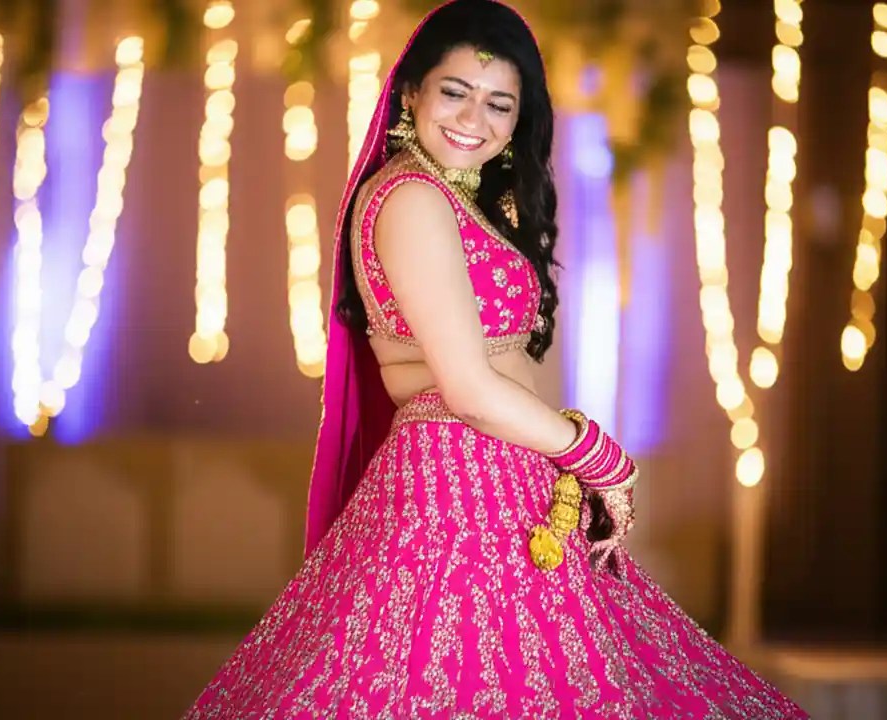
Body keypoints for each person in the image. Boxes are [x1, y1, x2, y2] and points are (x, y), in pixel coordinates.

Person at [184, 1, 807, 717]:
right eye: (455, 91)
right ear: (411, 93)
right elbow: (469, 387)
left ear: (517, 121)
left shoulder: (451, 201)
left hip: (499, 483)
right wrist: (600, 456)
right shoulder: (412, 199)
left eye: (498, 104)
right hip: (458, 491)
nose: (472, 119)